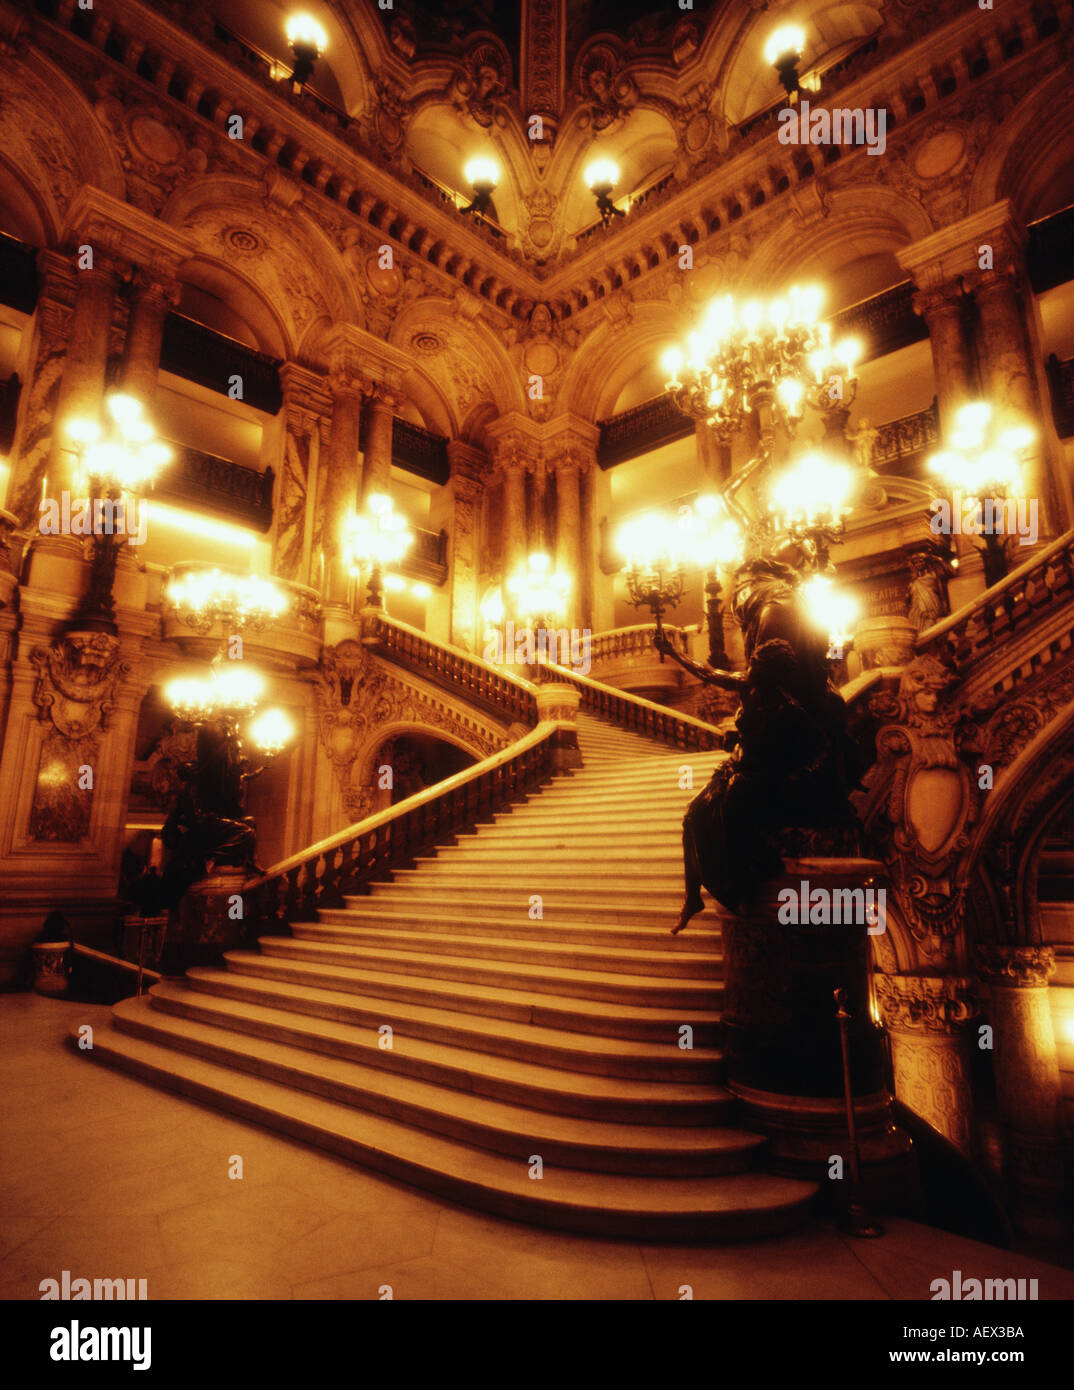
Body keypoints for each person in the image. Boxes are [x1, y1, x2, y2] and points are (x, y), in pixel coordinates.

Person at [655, 548, 861, 931]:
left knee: (717, 816)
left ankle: (740, 885)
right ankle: (695, 897)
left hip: (765, 779)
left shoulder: (786, 706)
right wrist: (676, 655)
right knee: (694, 815)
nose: (754, 669)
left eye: (762, 664)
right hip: (749, 768)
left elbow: (806, 754)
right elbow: (719, 678)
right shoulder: (762, 686)